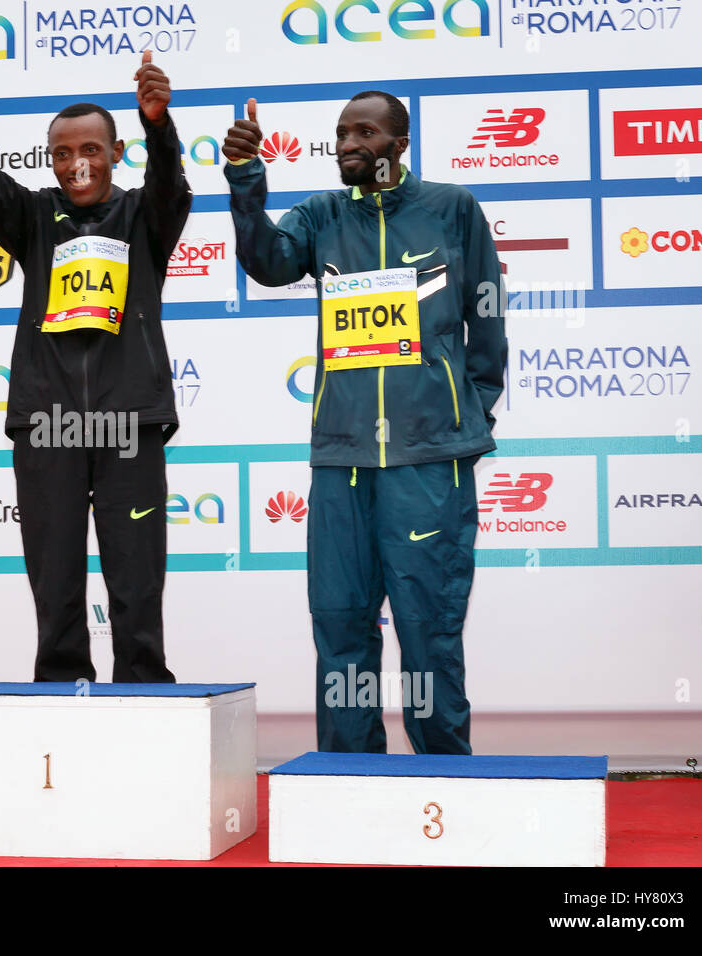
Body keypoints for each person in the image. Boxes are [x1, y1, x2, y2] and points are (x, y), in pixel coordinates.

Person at [223, 92, 506, 754]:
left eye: (365, 132)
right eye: (342, 133)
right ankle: (345, 784)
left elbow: (486, 323)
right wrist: (245, 178)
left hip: (427, 462)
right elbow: (267, 262)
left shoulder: (451, 210)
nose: (349, 143)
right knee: (341, 626)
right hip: (342, 462)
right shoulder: (320, 215)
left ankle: (446, 779)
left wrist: (463, 415)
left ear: (399, 144)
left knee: (428, 629)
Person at [0, 52, 190, 683]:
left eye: (93, 149)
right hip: (47, 424)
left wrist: (160, 128)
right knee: (55, 577)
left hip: (129, 419)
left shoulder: (144, 217)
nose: (78, 162)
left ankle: (145, 689)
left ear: (116, 151)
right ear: (49, 159)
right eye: (63, 151)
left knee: (136, 574)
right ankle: (61, 690)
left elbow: (170, 189)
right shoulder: (33, 217)